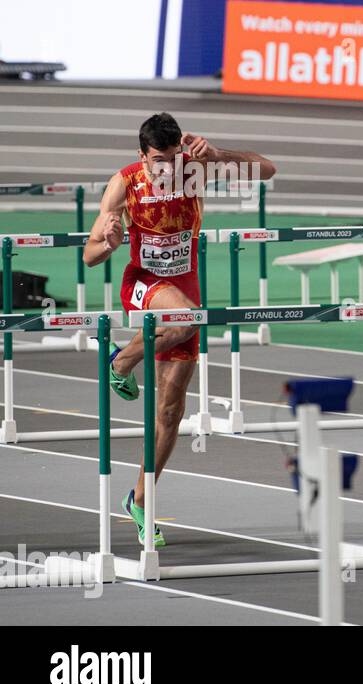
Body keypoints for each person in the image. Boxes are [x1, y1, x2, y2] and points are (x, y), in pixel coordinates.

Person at [83, 112, 276, 546]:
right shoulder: (124, 183)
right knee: (186, 318)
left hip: (186, 289)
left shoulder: (195, 169)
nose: (167, 169)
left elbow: (267, 171)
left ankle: (139, 499)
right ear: (142, 156)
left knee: (170, 413)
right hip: (144, 285)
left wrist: (220, 153)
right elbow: (89, 256)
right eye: (158, 161)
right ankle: (122, 361)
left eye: (173, 158)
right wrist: (108, 242)